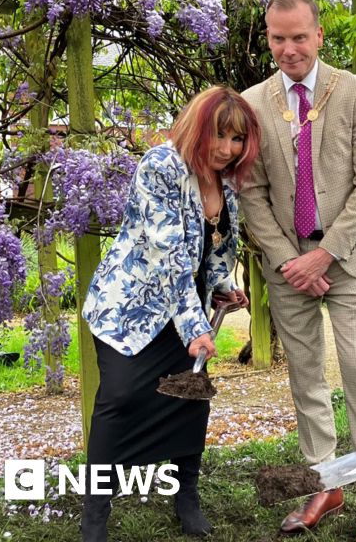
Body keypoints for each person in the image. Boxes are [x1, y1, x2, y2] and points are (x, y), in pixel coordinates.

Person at [239, 0, 356, 542]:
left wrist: (325, 255)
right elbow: (251, 194)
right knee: (305, 377)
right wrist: (291, 262)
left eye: (299, 37)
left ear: (318, 35)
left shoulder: (353, 92)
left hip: (348, 259)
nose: (289, 49)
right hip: (288, 266)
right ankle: (325, 484)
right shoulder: (253, 102)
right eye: (278, 39)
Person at [80, 85, 259, 541]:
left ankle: (186, 496)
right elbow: (167, 256)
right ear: (197, 127)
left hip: (186, 311)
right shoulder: (160, 166)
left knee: (189, 403)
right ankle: (95, 516)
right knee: (118, 398)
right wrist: (195, 326)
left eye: (237, 139)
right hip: (132, 310)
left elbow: (216, 250)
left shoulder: (227, 184)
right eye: (219, 135)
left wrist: (222, 288)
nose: (226, 148)